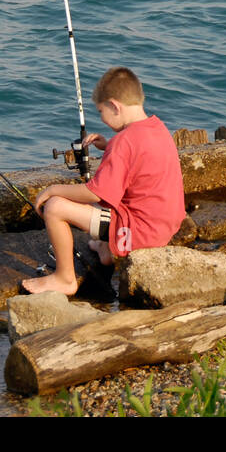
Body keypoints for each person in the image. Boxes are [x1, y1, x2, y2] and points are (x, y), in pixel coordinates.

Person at [21, 66, 185, 294]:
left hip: (138, 233)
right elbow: (140, 158)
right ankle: (106, 251)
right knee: (117, 194)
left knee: (56, 207)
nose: (100, 117)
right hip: (162, 226)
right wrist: (109, 146)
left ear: (114, 106)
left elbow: (96, 193)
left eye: (100, 111)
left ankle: (64, 278)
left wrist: (52, 189)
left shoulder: (123, 142)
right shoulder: (157, 127)